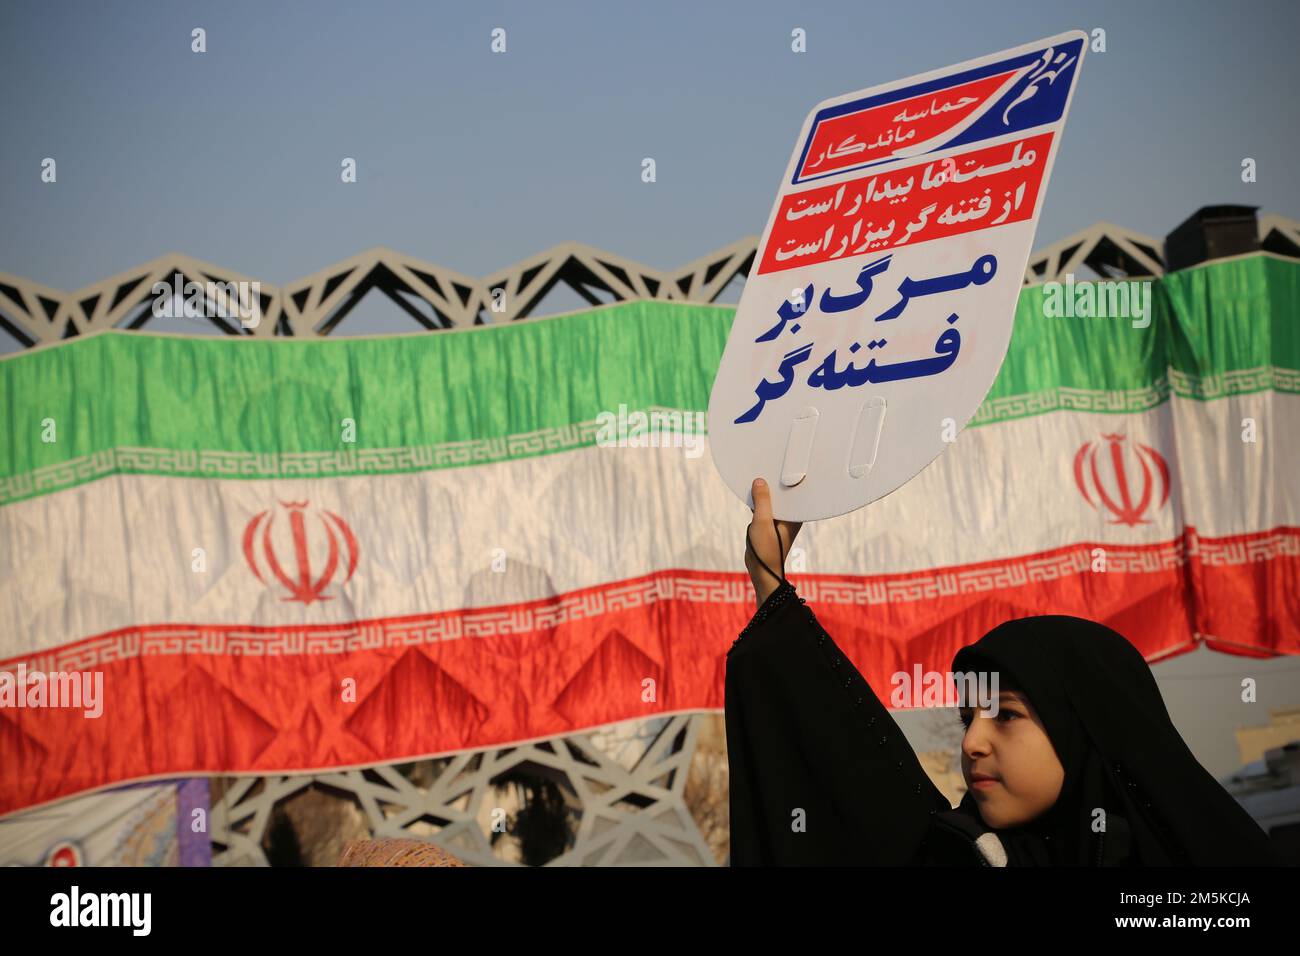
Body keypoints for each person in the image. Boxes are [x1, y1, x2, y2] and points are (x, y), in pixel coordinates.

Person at [725, 477, 1281, 866]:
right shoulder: (963, 855)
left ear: (1085, 730)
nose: (973, 743)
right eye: (969, 717)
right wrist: (770, 580)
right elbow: (848, 771)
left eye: (1006, 715)